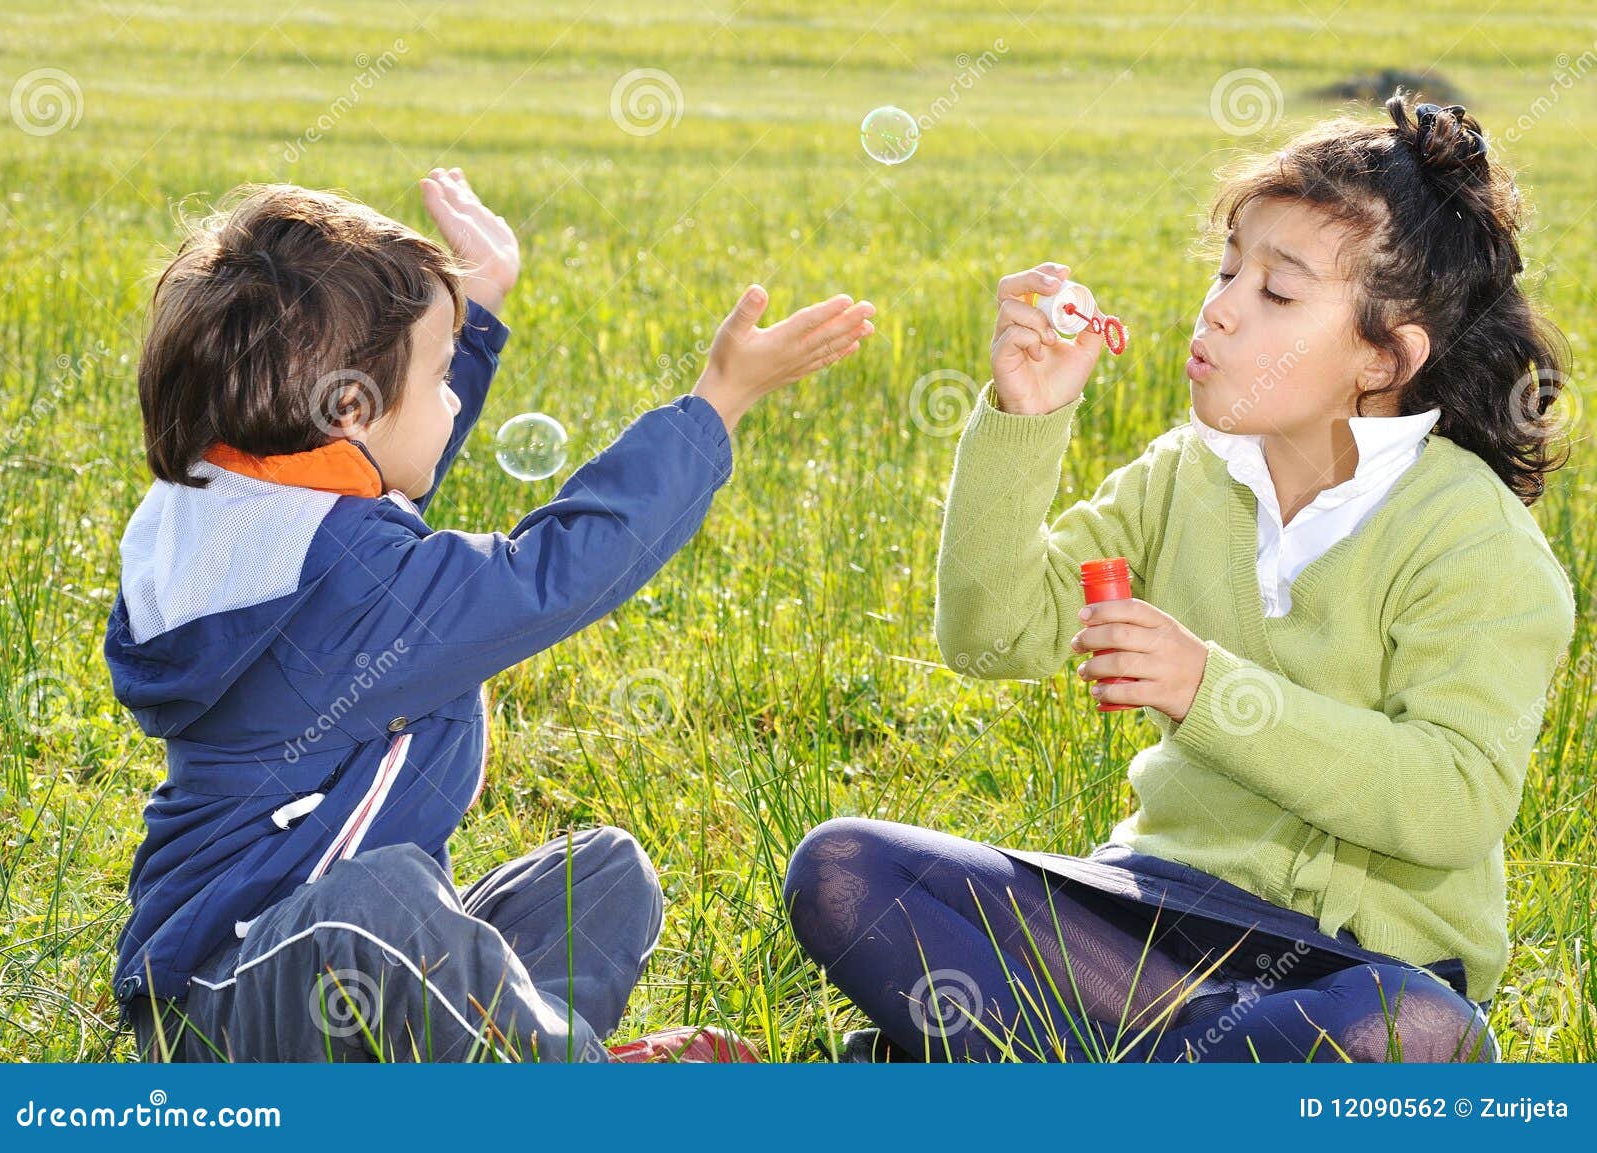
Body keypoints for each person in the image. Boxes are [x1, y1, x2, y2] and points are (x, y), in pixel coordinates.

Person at [784, 93, 1576, 1062]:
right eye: (1226, 266)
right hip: (1148, 922)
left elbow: (1452, 795)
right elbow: (991, 635)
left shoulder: (1471, 540)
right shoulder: (1184, 476)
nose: (1221, 306)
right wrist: (1023, 416)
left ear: (1385, 354)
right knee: (843, 870)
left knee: (1409, 1033)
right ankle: (1167, 1086)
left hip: (1350, 965)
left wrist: (1212, 690)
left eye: (1276, 293)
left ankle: (1031, 1070)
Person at [106, 167, 874, 1062]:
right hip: (225, 1005)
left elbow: (369, 475)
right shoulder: (356, 584)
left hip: (325, 982)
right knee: (386, 900)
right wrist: (717, 403)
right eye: (442, 376)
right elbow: (553, 573)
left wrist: (475, 313)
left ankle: (524, 1066)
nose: (453, 398)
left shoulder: (226, 502)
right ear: (349, 407)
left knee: (603, 877)